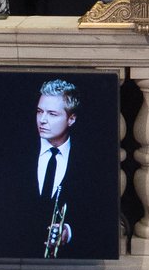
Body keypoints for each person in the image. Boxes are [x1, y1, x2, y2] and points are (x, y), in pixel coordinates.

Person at [31, 79, 108, 259]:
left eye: (52, 114)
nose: (42, 120)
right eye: (39, 112)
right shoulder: (16, 153)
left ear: (71, 119)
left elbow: (99, 214)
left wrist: (68, 230)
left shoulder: (91, 160)